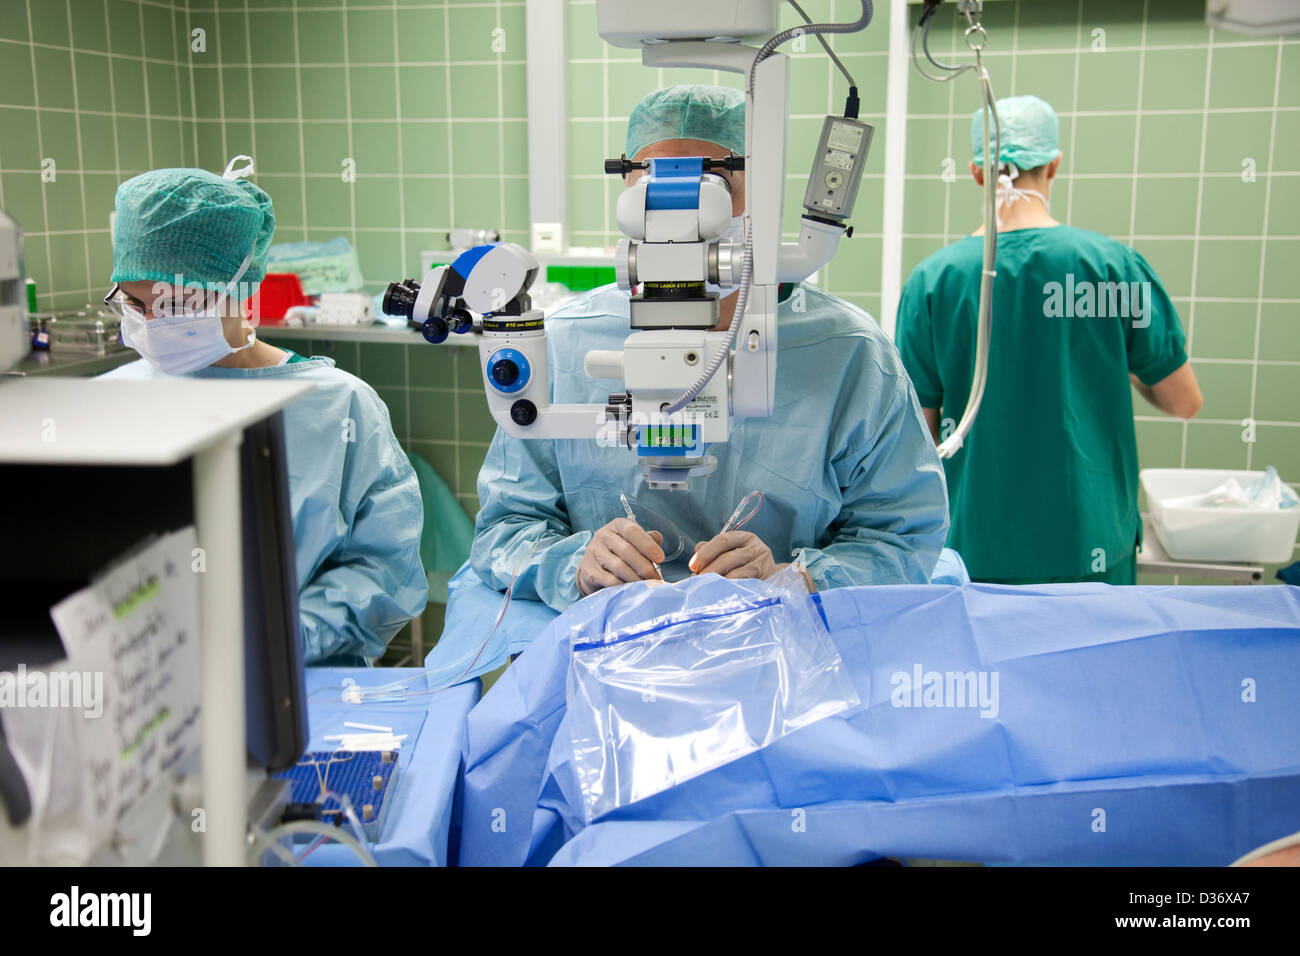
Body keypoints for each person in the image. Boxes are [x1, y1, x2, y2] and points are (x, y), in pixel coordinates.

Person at [469, 84, 949, 616]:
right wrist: (577, 565)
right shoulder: (567, 340)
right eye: (651, 181)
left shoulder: (849, 354)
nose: (678, 207)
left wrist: (795, 580)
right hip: (612, 638)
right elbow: (506, 527)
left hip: (779, 641)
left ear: (762, 195)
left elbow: (902, 536)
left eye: (712, 181)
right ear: (626, 188)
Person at [99, 162, 427, 665]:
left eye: (174, 303)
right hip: (145, 679)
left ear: (240, 286)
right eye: (133, 304)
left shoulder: (338, 406)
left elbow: (384, 570)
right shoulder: (107, 402)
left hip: (297, 676)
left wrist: (275, 638)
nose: (151, 322)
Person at [895, 95, 1202, 586]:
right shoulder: (1112, 267)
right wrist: (1109, 358)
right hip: (1089, 549)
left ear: (977, 173)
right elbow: (1184, 402)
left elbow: (918, 442)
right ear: (1054, 165)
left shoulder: (932, 282)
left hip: (975, 555)